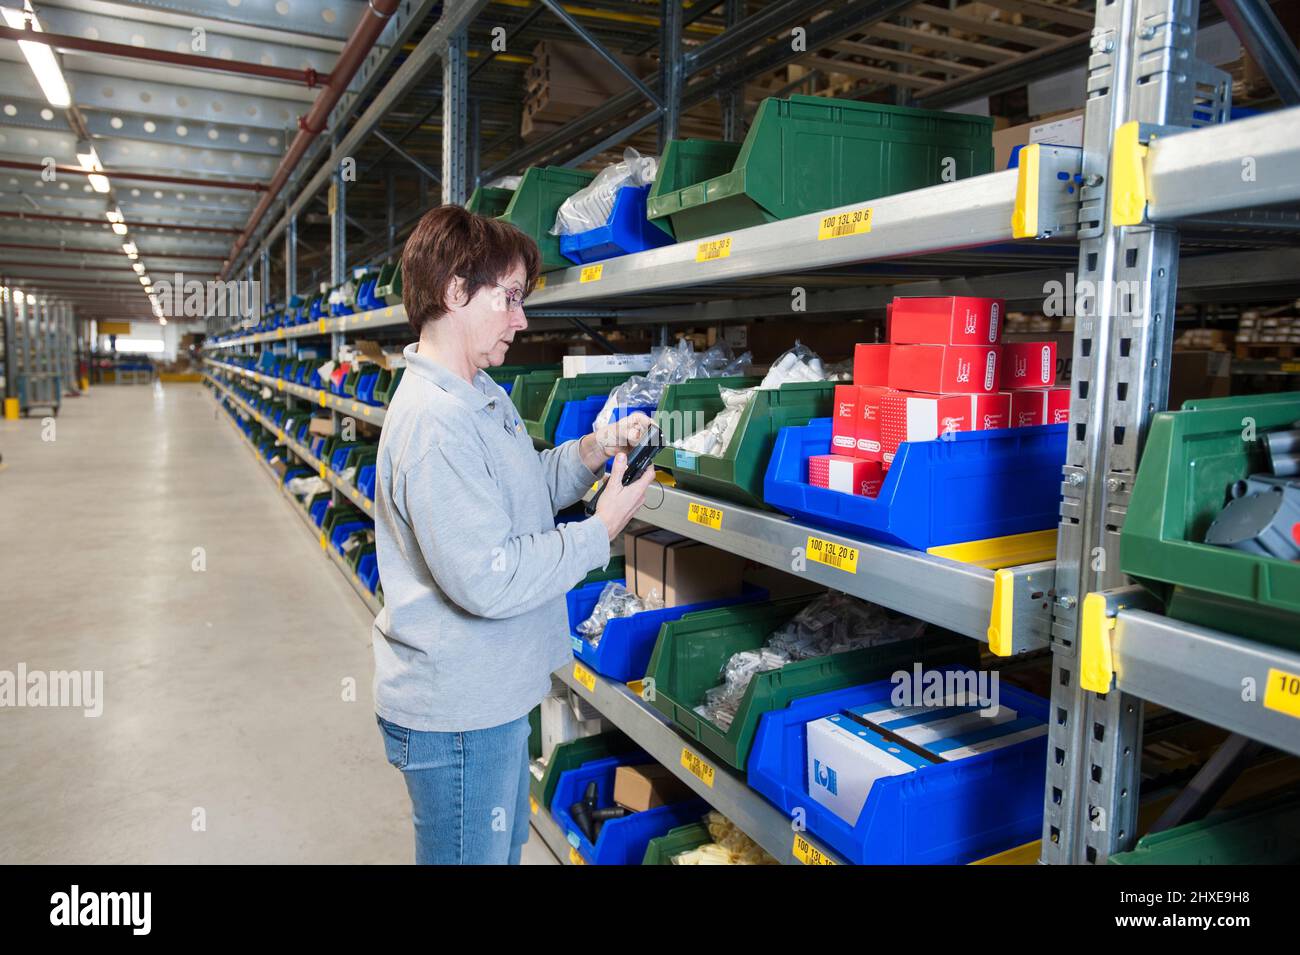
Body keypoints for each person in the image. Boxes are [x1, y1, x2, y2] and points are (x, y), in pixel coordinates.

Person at [371, 204, 655, 864]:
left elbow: (519, 488)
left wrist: (590, 449)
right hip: (459, 711)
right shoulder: (436, 423)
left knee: (497, 849)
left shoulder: (476, 393)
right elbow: (488, 575)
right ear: (455, 292)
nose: (521, 319)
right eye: (510, 298)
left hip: (491, 693)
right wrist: (603, 524)